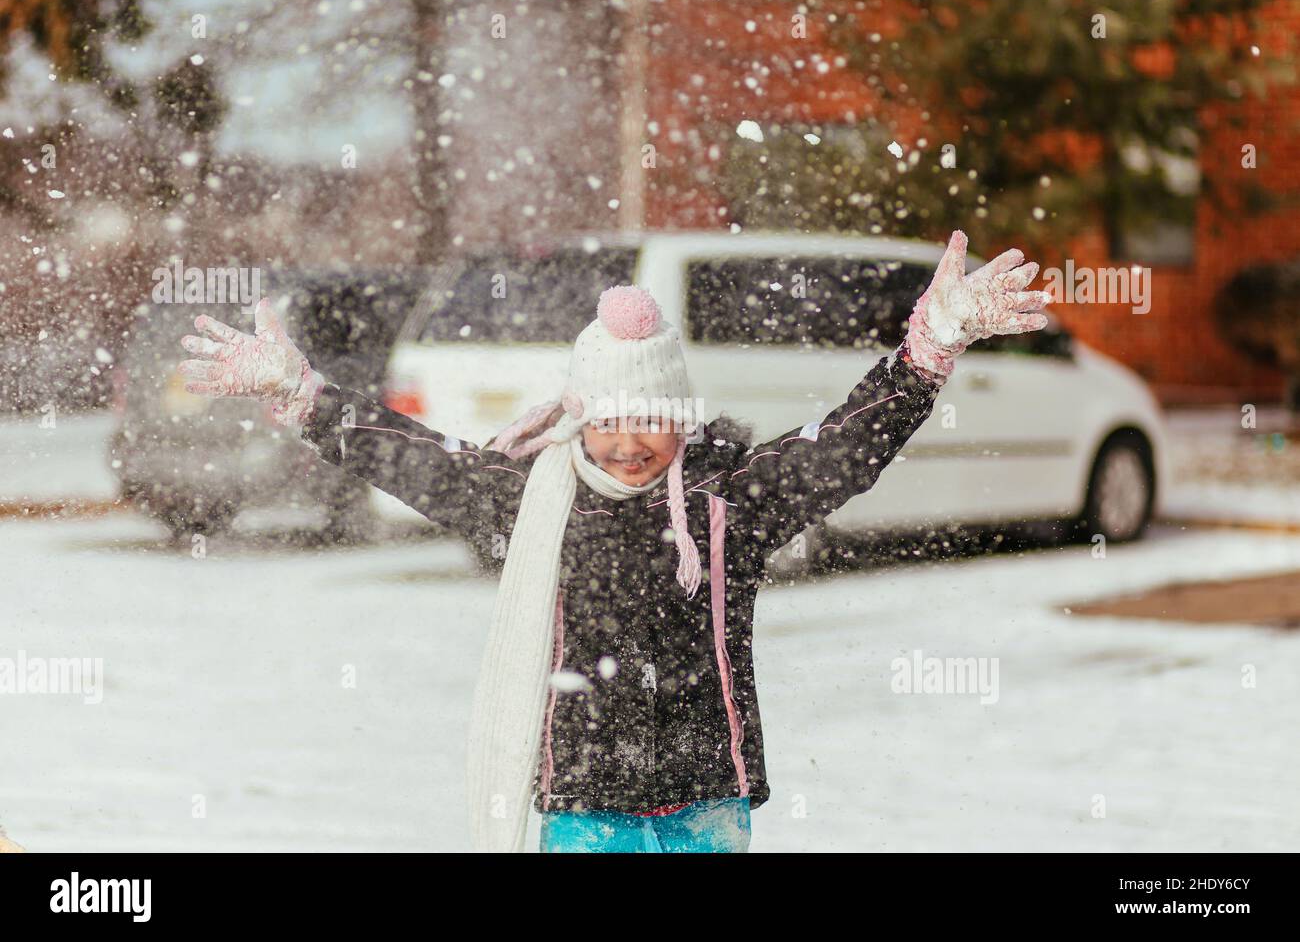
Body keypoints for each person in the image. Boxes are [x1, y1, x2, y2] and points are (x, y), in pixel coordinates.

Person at [178, 229, 1050, 852]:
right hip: (583, 808)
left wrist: (929, 347)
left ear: (681, 420)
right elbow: (415, 461)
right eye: (611, 419)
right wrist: (303, 395)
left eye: (652, 420)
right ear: (579, 418)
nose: (629, 440)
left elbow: (843, 448)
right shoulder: (535, 503)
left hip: (707, 802)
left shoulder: (726, 506)